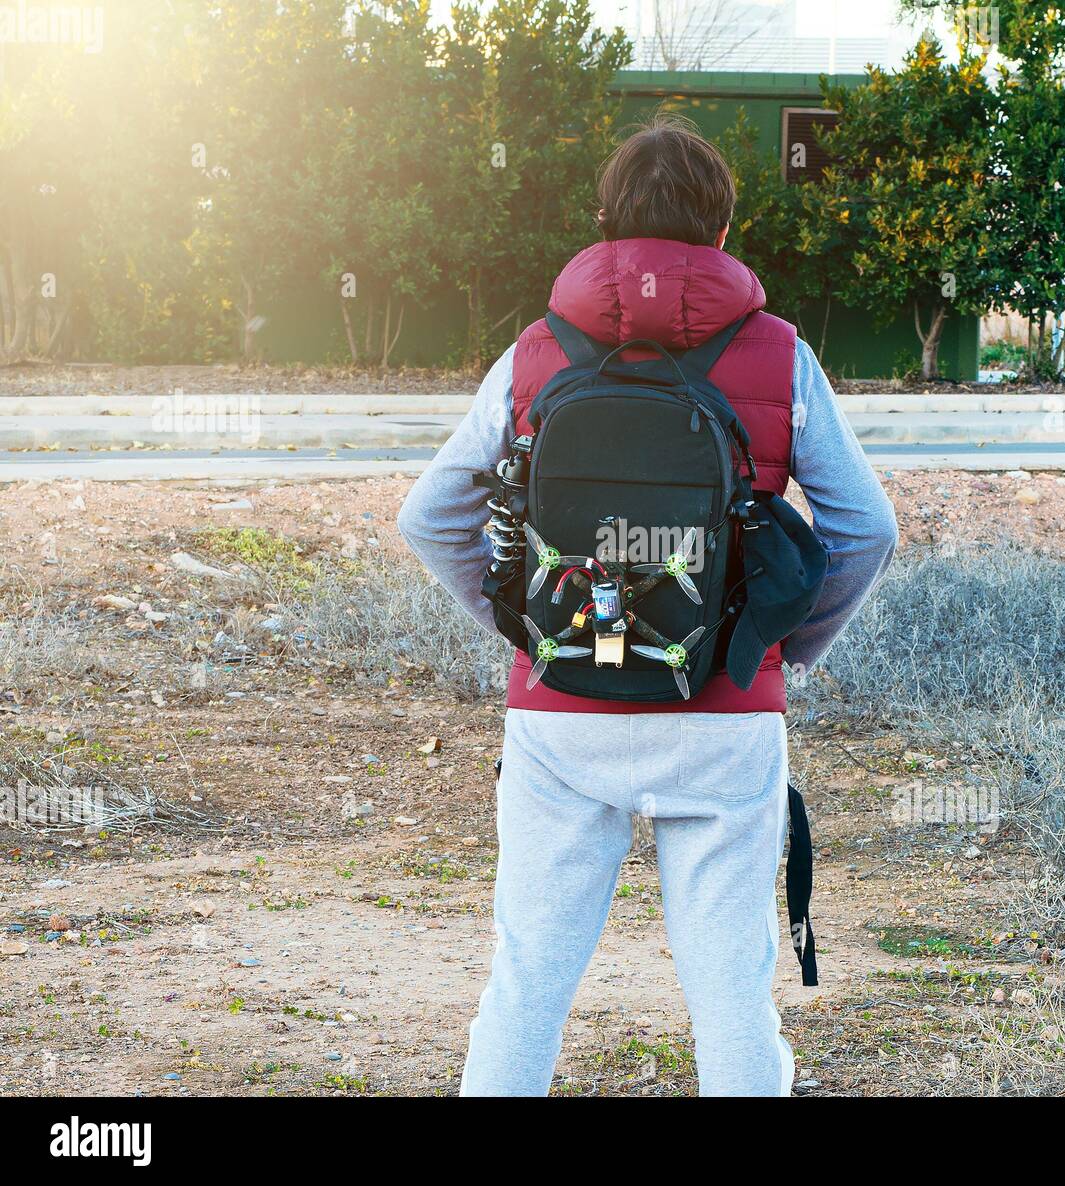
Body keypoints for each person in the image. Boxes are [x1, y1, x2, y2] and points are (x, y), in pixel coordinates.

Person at [398, 115, 897, 1096]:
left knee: (526, 986)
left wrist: (522, 628)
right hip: (723, 717)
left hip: (560, 719)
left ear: (604, 222)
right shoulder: (781, 356)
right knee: (731, 1000)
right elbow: (865, 528)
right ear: (721, 230)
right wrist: (778, 646)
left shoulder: (535, 354)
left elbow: (430, 515)